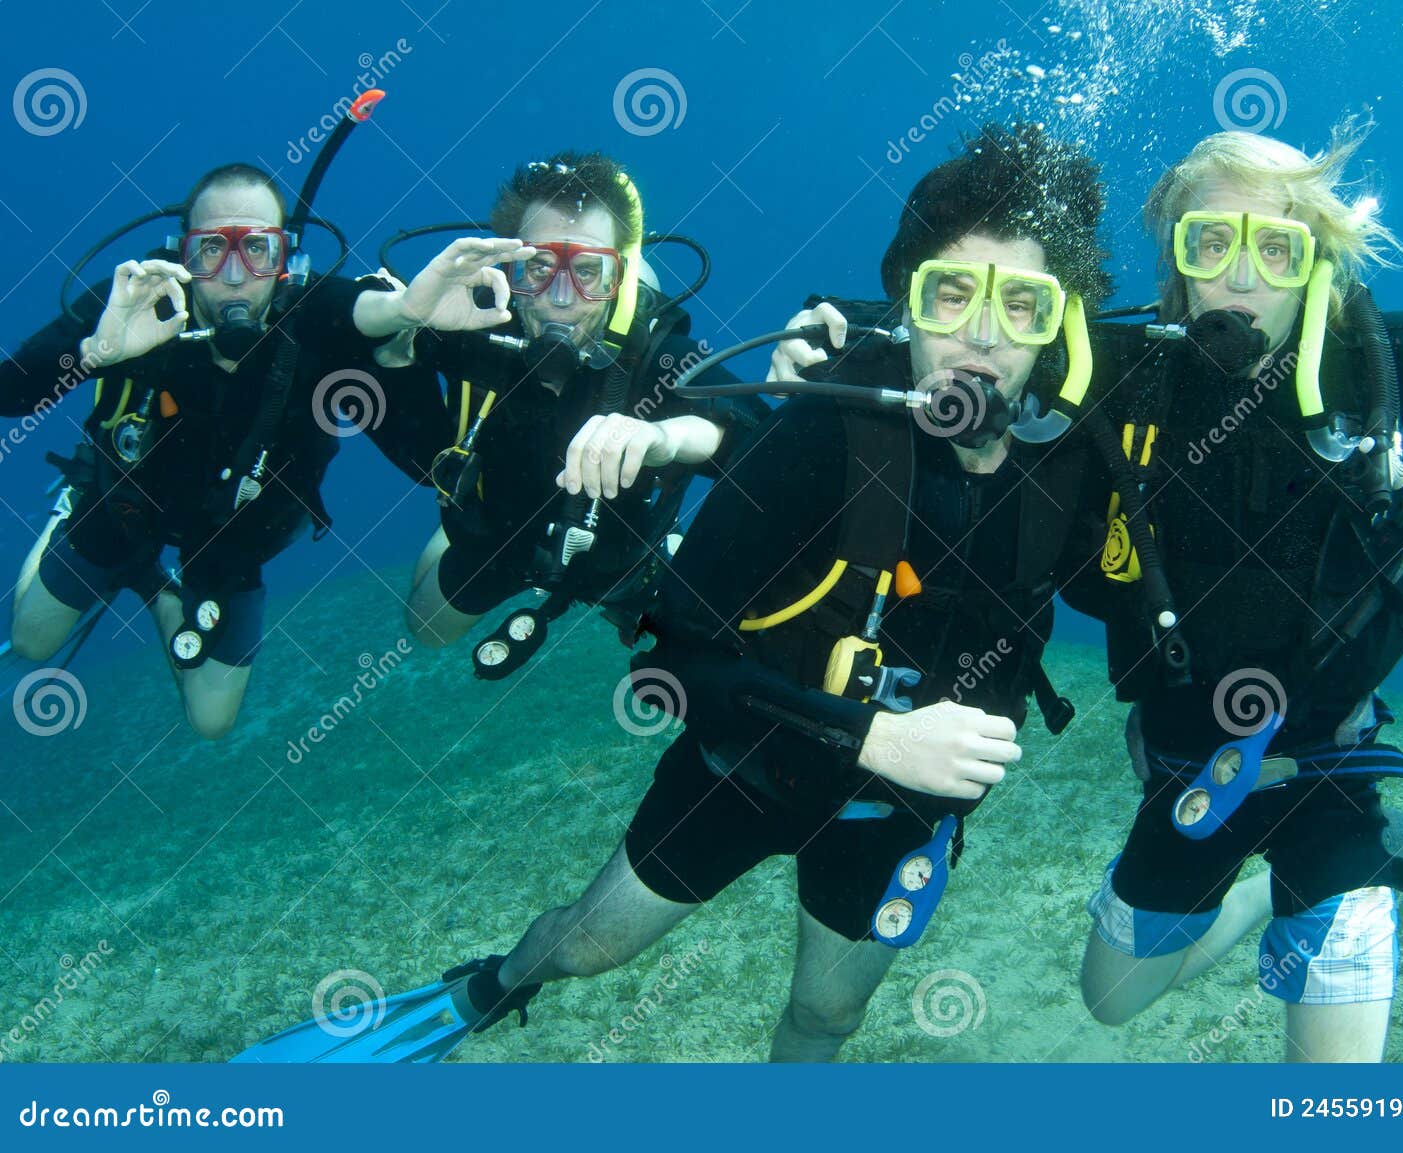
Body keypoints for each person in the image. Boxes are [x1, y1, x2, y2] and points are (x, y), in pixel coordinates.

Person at [233, 123, 1113, 1063]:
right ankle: (490, 986)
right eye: (950, 294)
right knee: (586, 943)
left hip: (896, 813)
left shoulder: (1081, 454)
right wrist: (877, 735)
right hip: (749, 764)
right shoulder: (829, 429)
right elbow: (671, 651)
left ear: (1061, 323)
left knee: (826, 1016)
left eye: (1022, 305)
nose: (981, 335)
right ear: (906, 304)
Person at [1064, 119, 1403, 1061]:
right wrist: (829, 339)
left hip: (1337, 766)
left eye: (1276, 245)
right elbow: (955, 337)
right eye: (1209, 241)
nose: (1239, 273)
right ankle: (1260, 897)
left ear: (1316, 260)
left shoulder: (1373, 365)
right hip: (1189, 767)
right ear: (1175, 261)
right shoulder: (1120, 376)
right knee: (1109, 1000)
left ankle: (1319, 880)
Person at [2, 154, 416, 738]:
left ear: (286, 259)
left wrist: (405, 334)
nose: (234, 273)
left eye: (258, 248)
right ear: (182, 253)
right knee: (31, 639)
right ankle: (69, 513)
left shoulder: (317, 316)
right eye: (211, 249)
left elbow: (416, 442)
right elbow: (11, 393)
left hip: (234, 541)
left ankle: (156, 589)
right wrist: (91, 352)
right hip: (122, 506)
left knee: (212, 721)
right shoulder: (137, 297)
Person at [348, 152, 765, 677]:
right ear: (509, 267)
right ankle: (444, 540)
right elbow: (334, 333)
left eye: (589, 271)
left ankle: (657, 561)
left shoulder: (654, 352)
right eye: (539, 268)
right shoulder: (472, 327)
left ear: (622, 279)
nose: (560, 298)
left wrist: (665, 436)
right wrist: (399, 330)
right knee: (425, 630)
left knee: (713, 633)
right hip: (497, 538)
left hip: (624, 554)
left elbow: (757, 434)